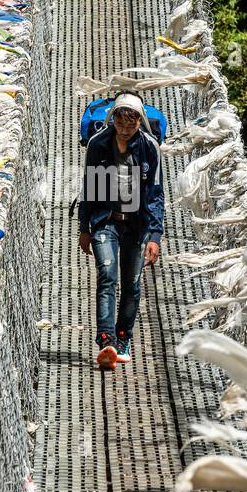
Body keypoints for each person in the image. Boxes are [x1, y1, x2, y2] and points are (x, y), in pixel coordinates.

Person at [77, 91, 164, 369]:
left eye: (132, 124)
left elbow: (156, 194)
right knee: (107, 275)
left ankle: (123, 338)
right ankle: (107, 342)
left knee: (132, 283)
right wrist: (84, 228)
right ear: (112, 118)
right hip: (106, 220)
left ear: (140, 122)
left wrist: (155, 235)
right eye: (121, 123)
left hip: (137, 224)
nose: (125, 130)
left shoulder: (149, 147)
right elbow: (89, 187)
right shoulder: (98, 144)